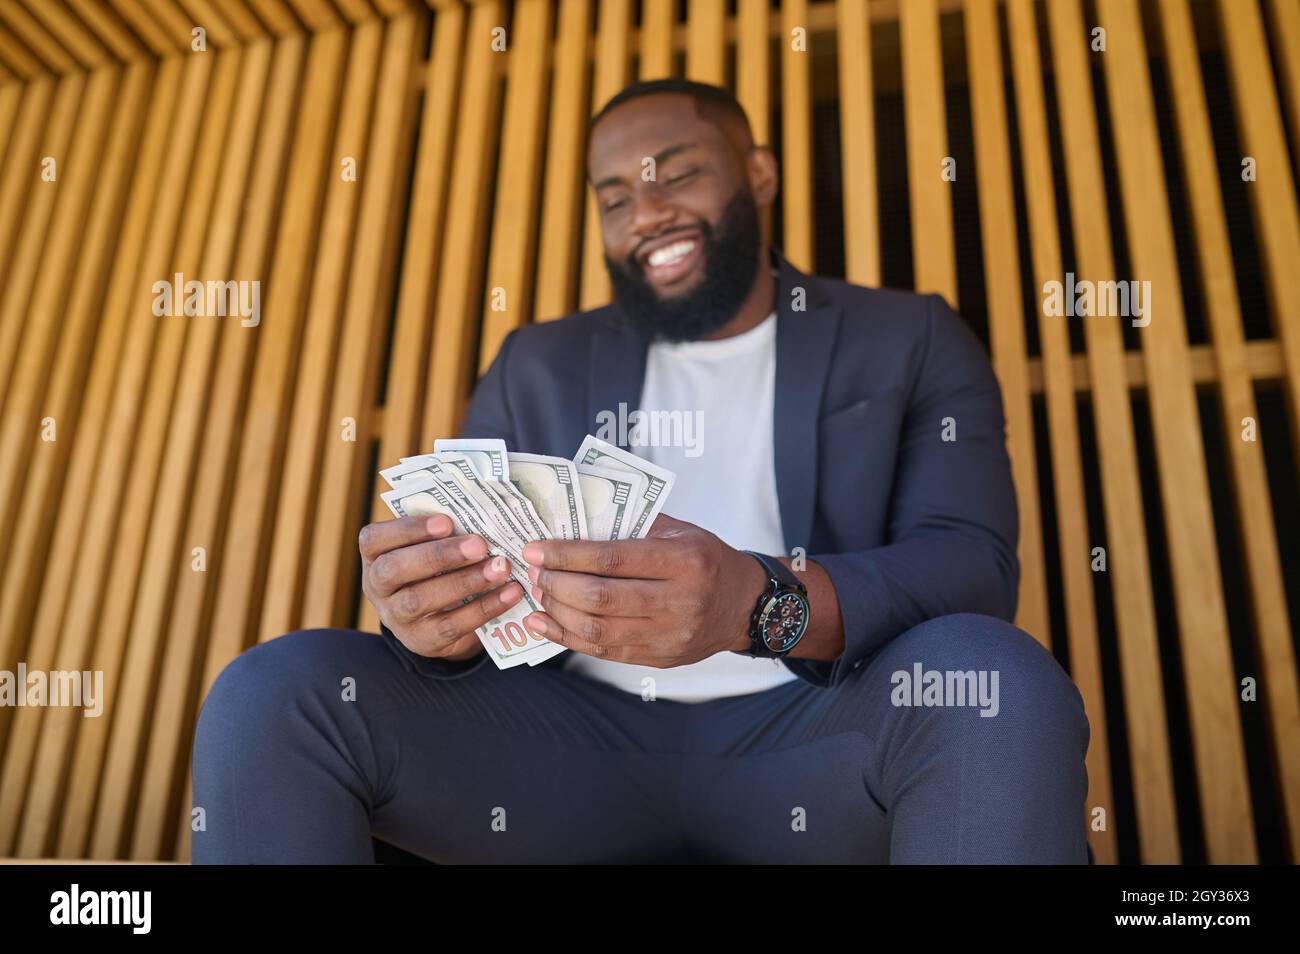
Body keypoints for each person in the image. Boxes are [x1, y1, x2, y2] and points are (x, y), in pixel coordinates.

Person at [191, 78, 1090, 864]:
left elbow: (970, 561)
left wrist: (759, 602)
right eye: (614, 197)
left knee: (993, 679)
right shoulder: (536, 363)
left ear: (761, 175)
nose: (646, 212)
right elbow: (474, 608)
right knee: (277, 694)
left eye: (679, 172)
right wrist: (432, 619)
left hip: (821, 738)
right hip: (565, 753)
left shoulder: (910, 335)